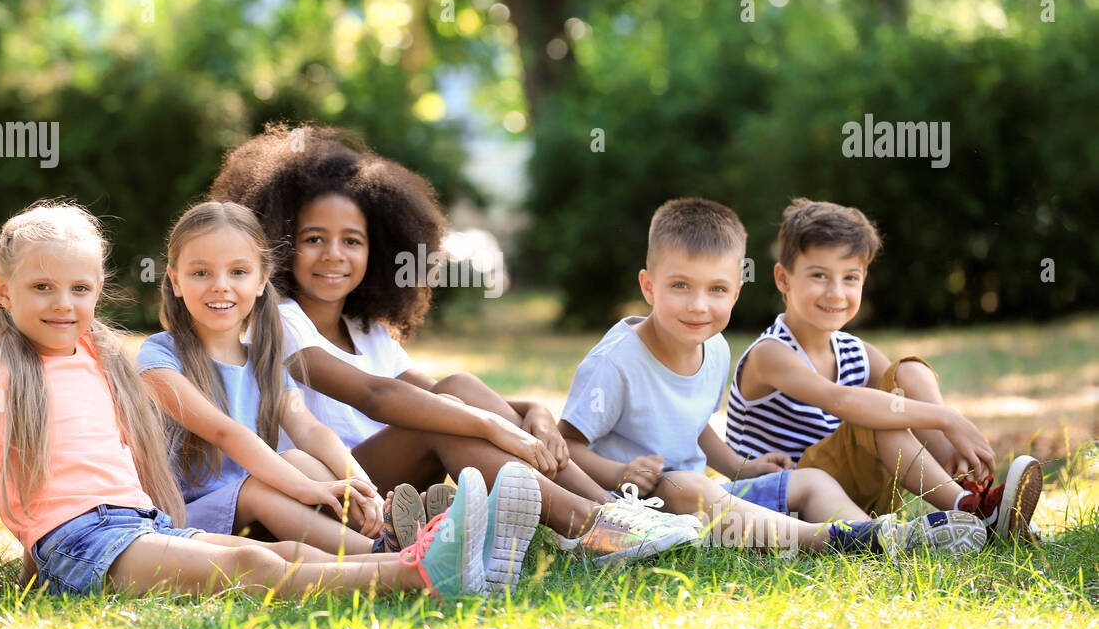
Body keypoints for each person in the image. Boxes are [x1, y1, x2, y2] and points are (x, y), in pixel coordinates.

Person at [0, 201, 534, 602]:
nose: (62, 303)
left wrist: (161, 525)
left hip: (136, 523)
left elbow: (137, 460)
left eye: (79, 288)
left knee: (286, 548)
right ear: (1, 289)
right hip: (82, 541)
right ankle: (423, 575)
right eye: (40, 288)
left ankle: (438, 560)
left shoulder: (103, 356)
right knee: (252, 568)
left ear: (99, 289)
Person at [211, 123, 702, 575]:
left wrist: (534, 414)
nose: (334, 254)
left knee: (458, 388)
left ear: (377, 248)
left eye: (353, 241)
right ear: (278, 243)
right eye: (313, 238)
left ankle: (614, 511)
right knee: (441, 422)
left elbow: (439, 393)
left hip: (385, 487)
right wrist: (492, 424)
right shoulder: (276, 318)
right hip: (320, 494)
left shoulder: (367, 330)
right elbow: (376, 397)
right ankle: (587, 527)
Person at [558, 197, 987, 557]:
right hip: (632, 510)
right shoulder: (616, 363)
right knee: (686, 484)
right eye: (680, 286)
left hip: (711, 502)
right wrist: (618, 475)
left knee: (814, 481)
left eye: (717, 290)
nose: (699, 306)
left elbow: (696, 426)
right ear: (649, 287)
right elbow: (568, 445)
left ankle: (876, 539)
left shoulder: (714, 348)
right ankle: (823, 539)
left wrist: (741, 468)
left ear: (737, 291)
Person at [724, 198, 1041, 539]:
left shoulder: (855, 351)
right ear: (783, 279)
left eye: (850, 277)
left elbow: (905, 390)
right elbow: (841, 401)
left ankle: (971, 489)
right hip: (784, 502)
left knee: (908, 371)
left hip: (852, 494)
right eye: (819, 276)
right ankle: (974, 511)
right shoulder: (770, 353)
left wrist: (947, 431)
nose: (836, 292)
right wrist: (948, 419)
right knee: (875, 416)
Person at [135, 200, 383, 556]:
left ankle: (392, 527)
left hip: (258, 508)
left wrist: (361, 483)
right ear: (176, 281)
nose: (220, 286)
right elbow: (224, 432)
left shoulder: (263, 364)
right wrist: (305, 490)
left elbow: (311, 429)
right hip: (183, 522)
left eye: (238, 272)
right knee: (263, 488)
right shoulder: (158, 357)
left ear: (261, 280)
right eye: (201, 273)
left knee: (298, 458)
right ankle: (384, 556)